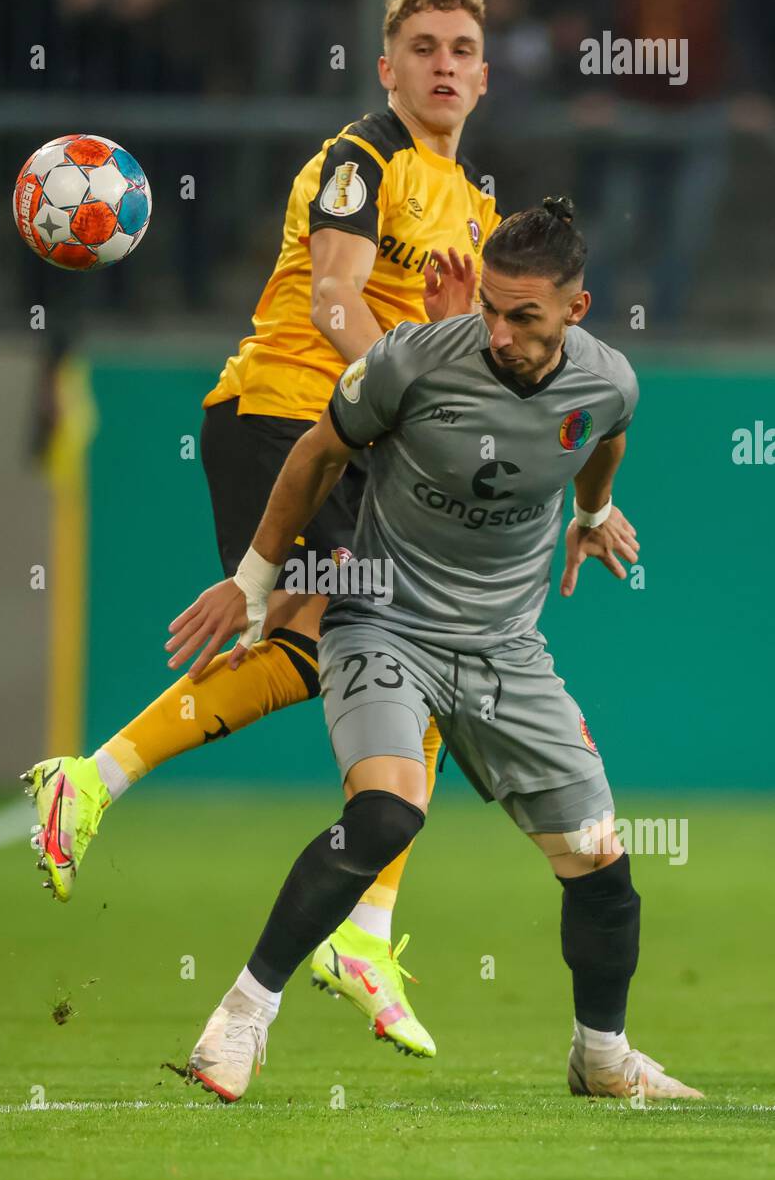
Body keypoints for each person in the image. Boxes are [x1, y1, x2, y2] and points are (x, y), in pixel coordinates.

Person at [22, 0, 501, 1059]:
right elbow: (334, 301)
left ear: (483, 71)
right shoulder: (358, 161)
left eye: (461, 47)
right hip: (281, 419)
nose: (442, 63)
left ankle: (105, 786)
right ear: (387, 67)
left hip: (356, 449)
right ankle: (349, 924)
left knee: (409, 640)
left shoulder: (473, 208)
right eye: (421, 45)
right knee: (390, 635)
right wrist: (407, 386)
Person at [178, 197, 703, 1104]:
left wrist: (590, 513)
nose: (496, 330)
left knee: (599, 861)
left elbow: (601, 438)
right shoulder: (410, 362)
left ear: (574, 311)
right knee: (386, 813)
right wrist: (255, 584)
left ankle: (603, 1057)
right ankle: (241, 1014)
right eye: (490, 307)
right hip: (383, 619)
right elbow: (313, 456)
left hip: (505, 648)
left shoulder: (608, 381)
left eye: (522, 315)